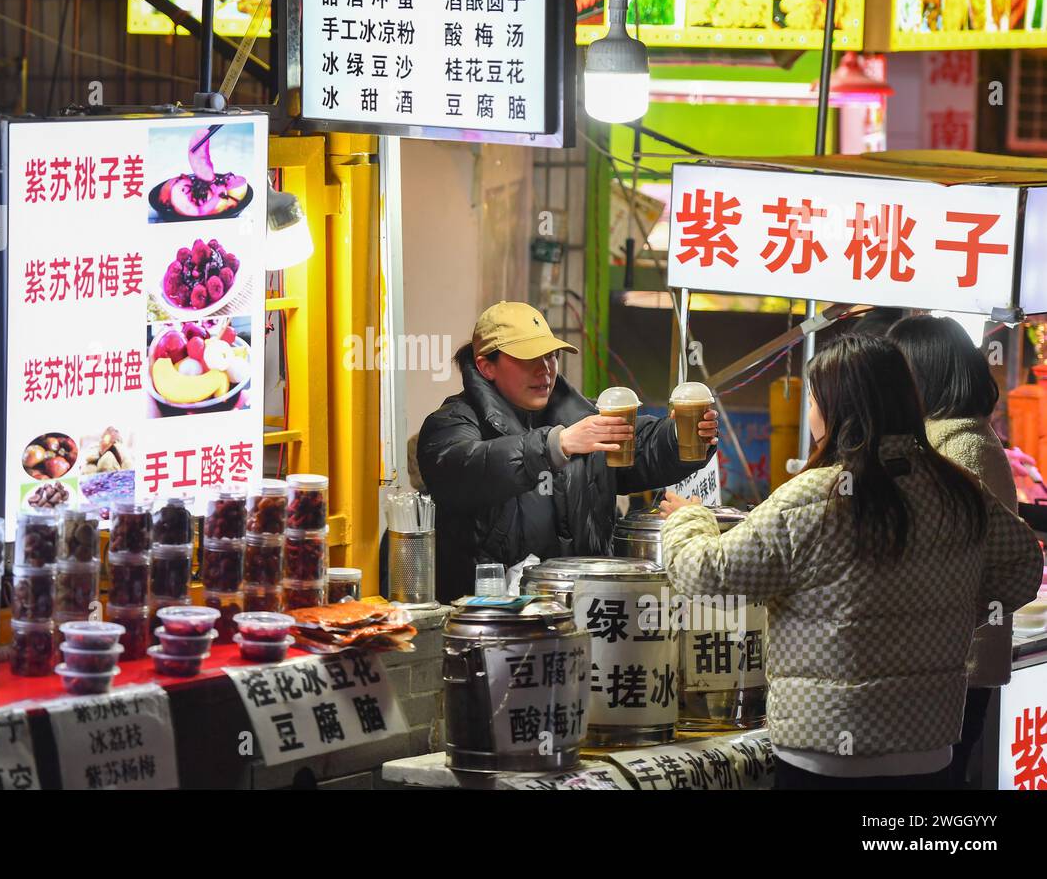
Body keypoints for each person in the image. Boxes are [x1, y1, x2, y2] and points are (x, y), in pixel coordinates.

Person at [659, 335, 1042, 789]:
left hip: (822, 756)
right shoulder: (958, 491)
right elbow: (1022, 569)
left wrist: (691, 520)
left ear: (837, 406)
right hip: (927, 751)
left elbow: (707, 576)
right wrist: (952, 612)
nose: (810, 413)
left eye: (814, 399)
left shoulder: (813, 497)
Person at [417, 301, 718, 603]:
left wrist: (679, 436)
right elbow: (466, 468)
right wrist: (555, 446)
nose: (544, 369)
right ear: (486, 366)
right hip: (497, 619)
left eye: (550, 355)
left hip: (584, 610)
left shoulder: (578, 417)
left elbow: (638, 445)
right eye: (528, 358)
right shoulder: (451, 423)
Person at [889, 314, 1017, 788]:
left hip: (955, 665)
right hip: (950, 662)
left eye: (896, 369)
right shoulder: (954, 439)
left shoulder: (960, 448)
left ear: (923, 373)